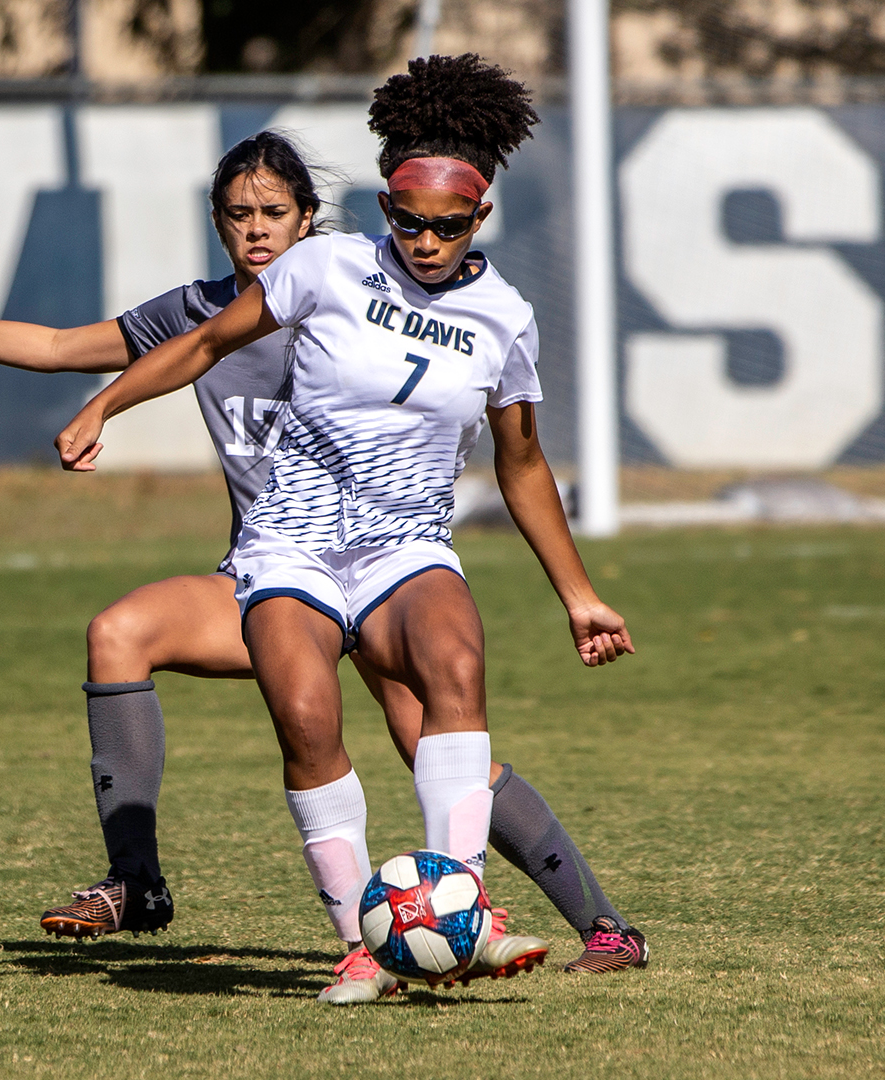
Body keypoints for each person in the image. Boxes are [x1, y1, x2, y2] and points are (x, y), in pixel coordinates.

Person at [51, 55, 640, 1005]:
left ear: (480, 218)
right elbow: (200, 343)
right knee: (308, 715)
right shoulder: (325, 266)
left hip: (407, 542)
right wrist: (104, 406)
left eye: (449, 225)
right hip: (291, 541)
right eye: (408, 219)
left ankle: (465, 914)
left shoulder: (504, 317)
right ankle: (361, 951)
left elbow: (521, 464)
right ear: (384, 203)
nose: (426, 239)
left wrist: (579, 595)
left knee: (454, 666)